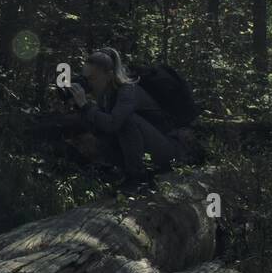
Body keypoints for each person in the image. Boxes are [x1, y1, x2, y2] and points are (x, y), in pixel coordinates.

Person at [66, 47, 184, 183]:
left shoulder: (127, 90)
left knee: (125, 121)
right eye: (84, 78)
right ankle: (125, 172)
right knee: (99, 126)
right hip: (149, 150)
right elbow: (100, 126)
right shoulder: (105, 94)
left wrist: (86, 106)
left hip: (168, 150)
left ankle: (137, 177)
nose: (87, 83)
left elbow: (113, 124)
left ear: (109, 76)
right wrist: (79, 107)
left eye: (91, 78)